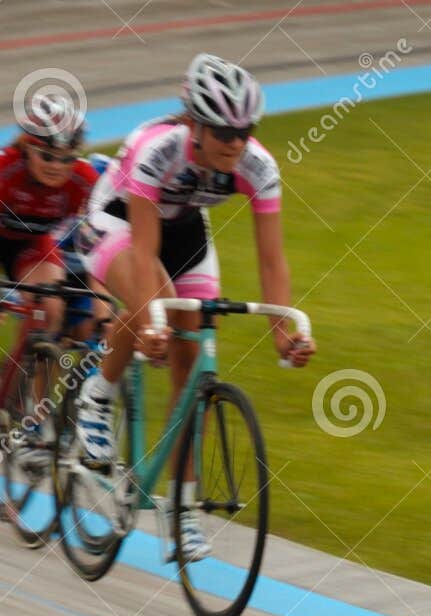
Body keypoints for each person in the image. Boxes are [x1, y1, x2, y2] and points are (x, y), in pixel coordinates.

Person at [76, 53, 314, 561]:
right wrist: (151, 322)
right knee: (158, 304)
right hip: (117, 221)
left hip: (185, 230)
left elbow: (272, 260)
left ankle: (182, 510)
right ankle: (96, 395)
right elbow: (144, 253)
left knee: (192, 363)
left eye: (245, 131)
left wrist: (282, 333)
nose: (236, 143)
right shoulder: (156, 149)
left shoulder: (258, 166)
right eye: (224, 132)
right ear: (195, 125)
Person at [0, 92, 100, 359]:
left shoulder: (83, 180)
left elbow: (104, 239)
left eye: (67, 158)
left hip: (30, 245)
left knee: (50, 309)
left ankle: (18, 383)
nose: (56, 166)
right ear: (27, 148)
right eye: (46, 156)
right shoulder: (5, 170)